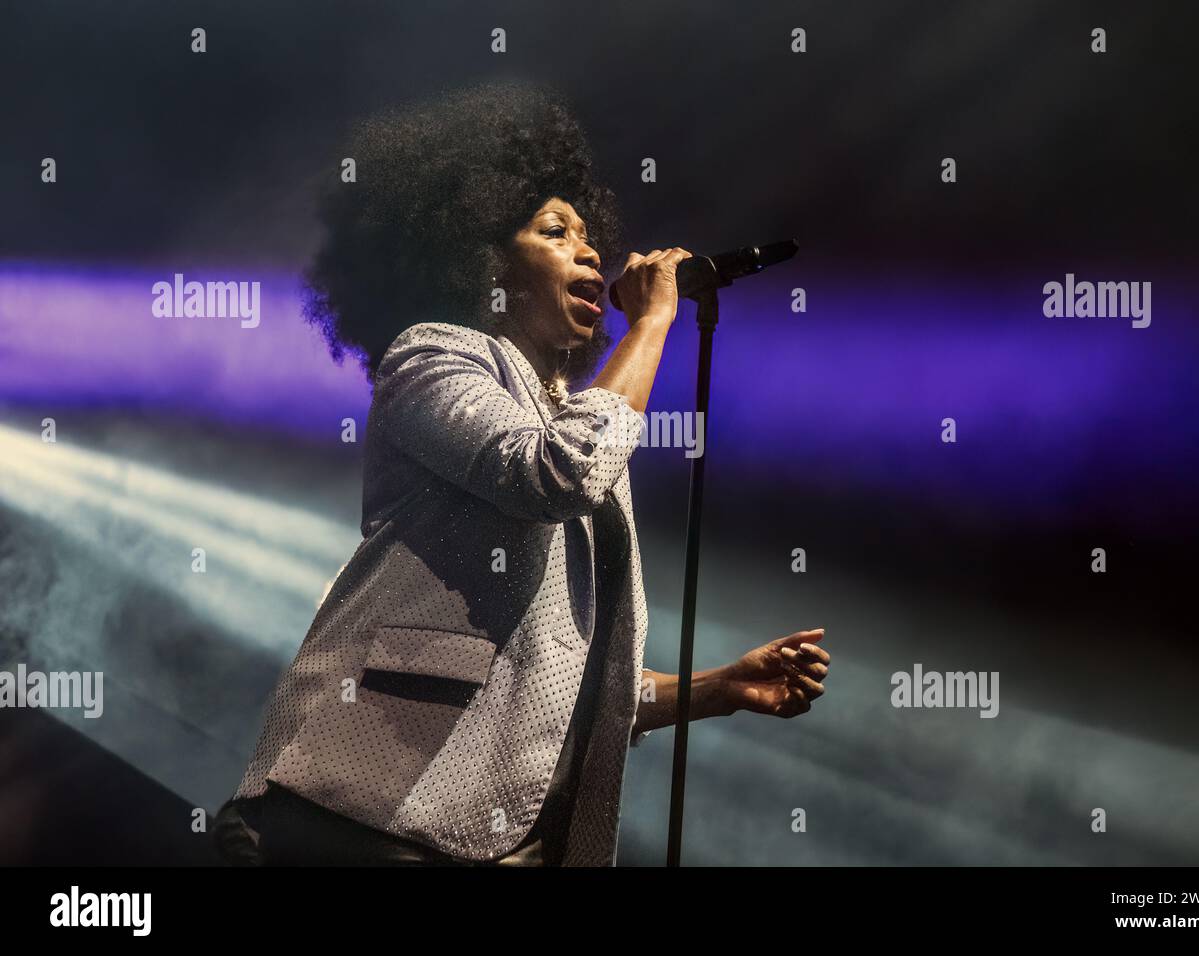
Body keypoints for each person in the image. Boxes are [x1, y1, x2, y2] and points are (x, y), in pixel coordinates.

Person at [214, 80, 829, 867]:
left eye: (588, 235)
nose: (591, 251)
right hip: (364, 819)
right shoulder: (432, 356)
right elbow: (557, 474)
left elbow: (556, 687)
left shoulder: (574, 410)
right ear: (481, 257)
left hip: (499, 846)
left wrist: (722, 688)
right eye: (554, 231)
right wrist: (652, 322)